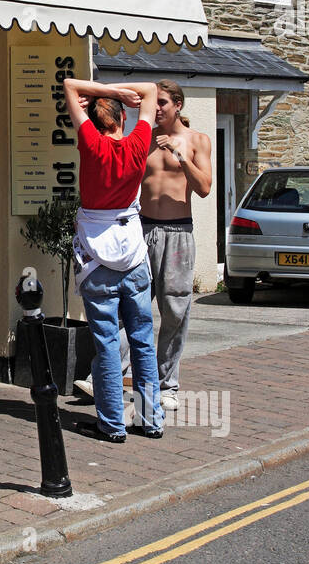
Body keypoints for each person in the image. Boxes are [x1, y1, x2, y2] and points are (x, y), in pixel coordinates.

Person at [62, 77, 163, 443]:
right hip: (134, 253)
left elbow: (69, 86)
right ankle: (151, 420)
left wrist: (109, 93)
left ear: (93, 120)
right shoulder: (138, 143)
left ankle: (112, 424)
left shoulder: (89, 143)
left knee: (105, 343)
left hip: (96, 256)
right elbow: (151, 90)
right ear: (122, 120)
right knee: (142, 340)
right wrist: (120, 93)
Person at [139, 80, 212, 411]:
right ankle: (123, 376)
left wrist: (180, 155)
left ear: (178, 105)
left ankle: (167, 384)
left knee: (175, 310)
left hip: (177, 233)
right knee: (132, 305)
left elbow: (205, 188)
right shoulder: (143, 139)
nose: (156, 109)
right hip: (141, 231)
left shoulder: (198, 141)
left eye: (162, 103)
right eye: (153, 102)